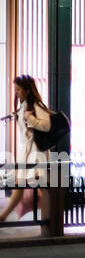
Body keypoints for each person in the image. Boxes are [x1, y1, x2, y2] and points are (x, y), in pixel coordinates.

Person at [0, 76, 51, 223]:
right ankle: (46, 218)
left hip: (35, 154)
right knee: (25, 185)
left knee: (23, 185)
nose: (16, 93)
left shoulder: (36, 105)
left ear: (27, 90)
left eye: (18, 89)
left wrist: (31, 120)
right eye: (15, 89)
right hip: (26, 153)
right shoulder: (25, 106)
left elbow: (47, 125)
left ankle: (5, 215)